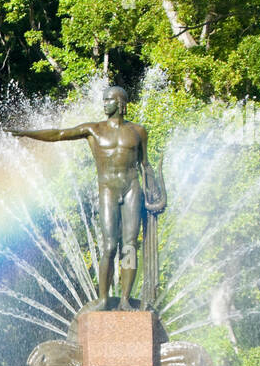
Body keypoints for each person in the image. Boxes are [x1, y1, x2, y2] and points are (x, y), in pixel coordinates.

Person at [11, 86, 160, 310]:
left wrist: (157, 193)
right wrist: (27, 133)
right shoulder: (93, 130)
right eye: (104, 100)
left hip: (132, 188)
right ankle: (103, 299)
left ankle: (126, 299)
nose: (104, 104)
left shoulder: (139, 132)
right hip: (108, 188)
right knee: (110, 246)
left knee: (129, 246)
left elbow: (145, 165)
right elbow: (59, 134)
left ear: (120, 103)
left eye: (108, 100)